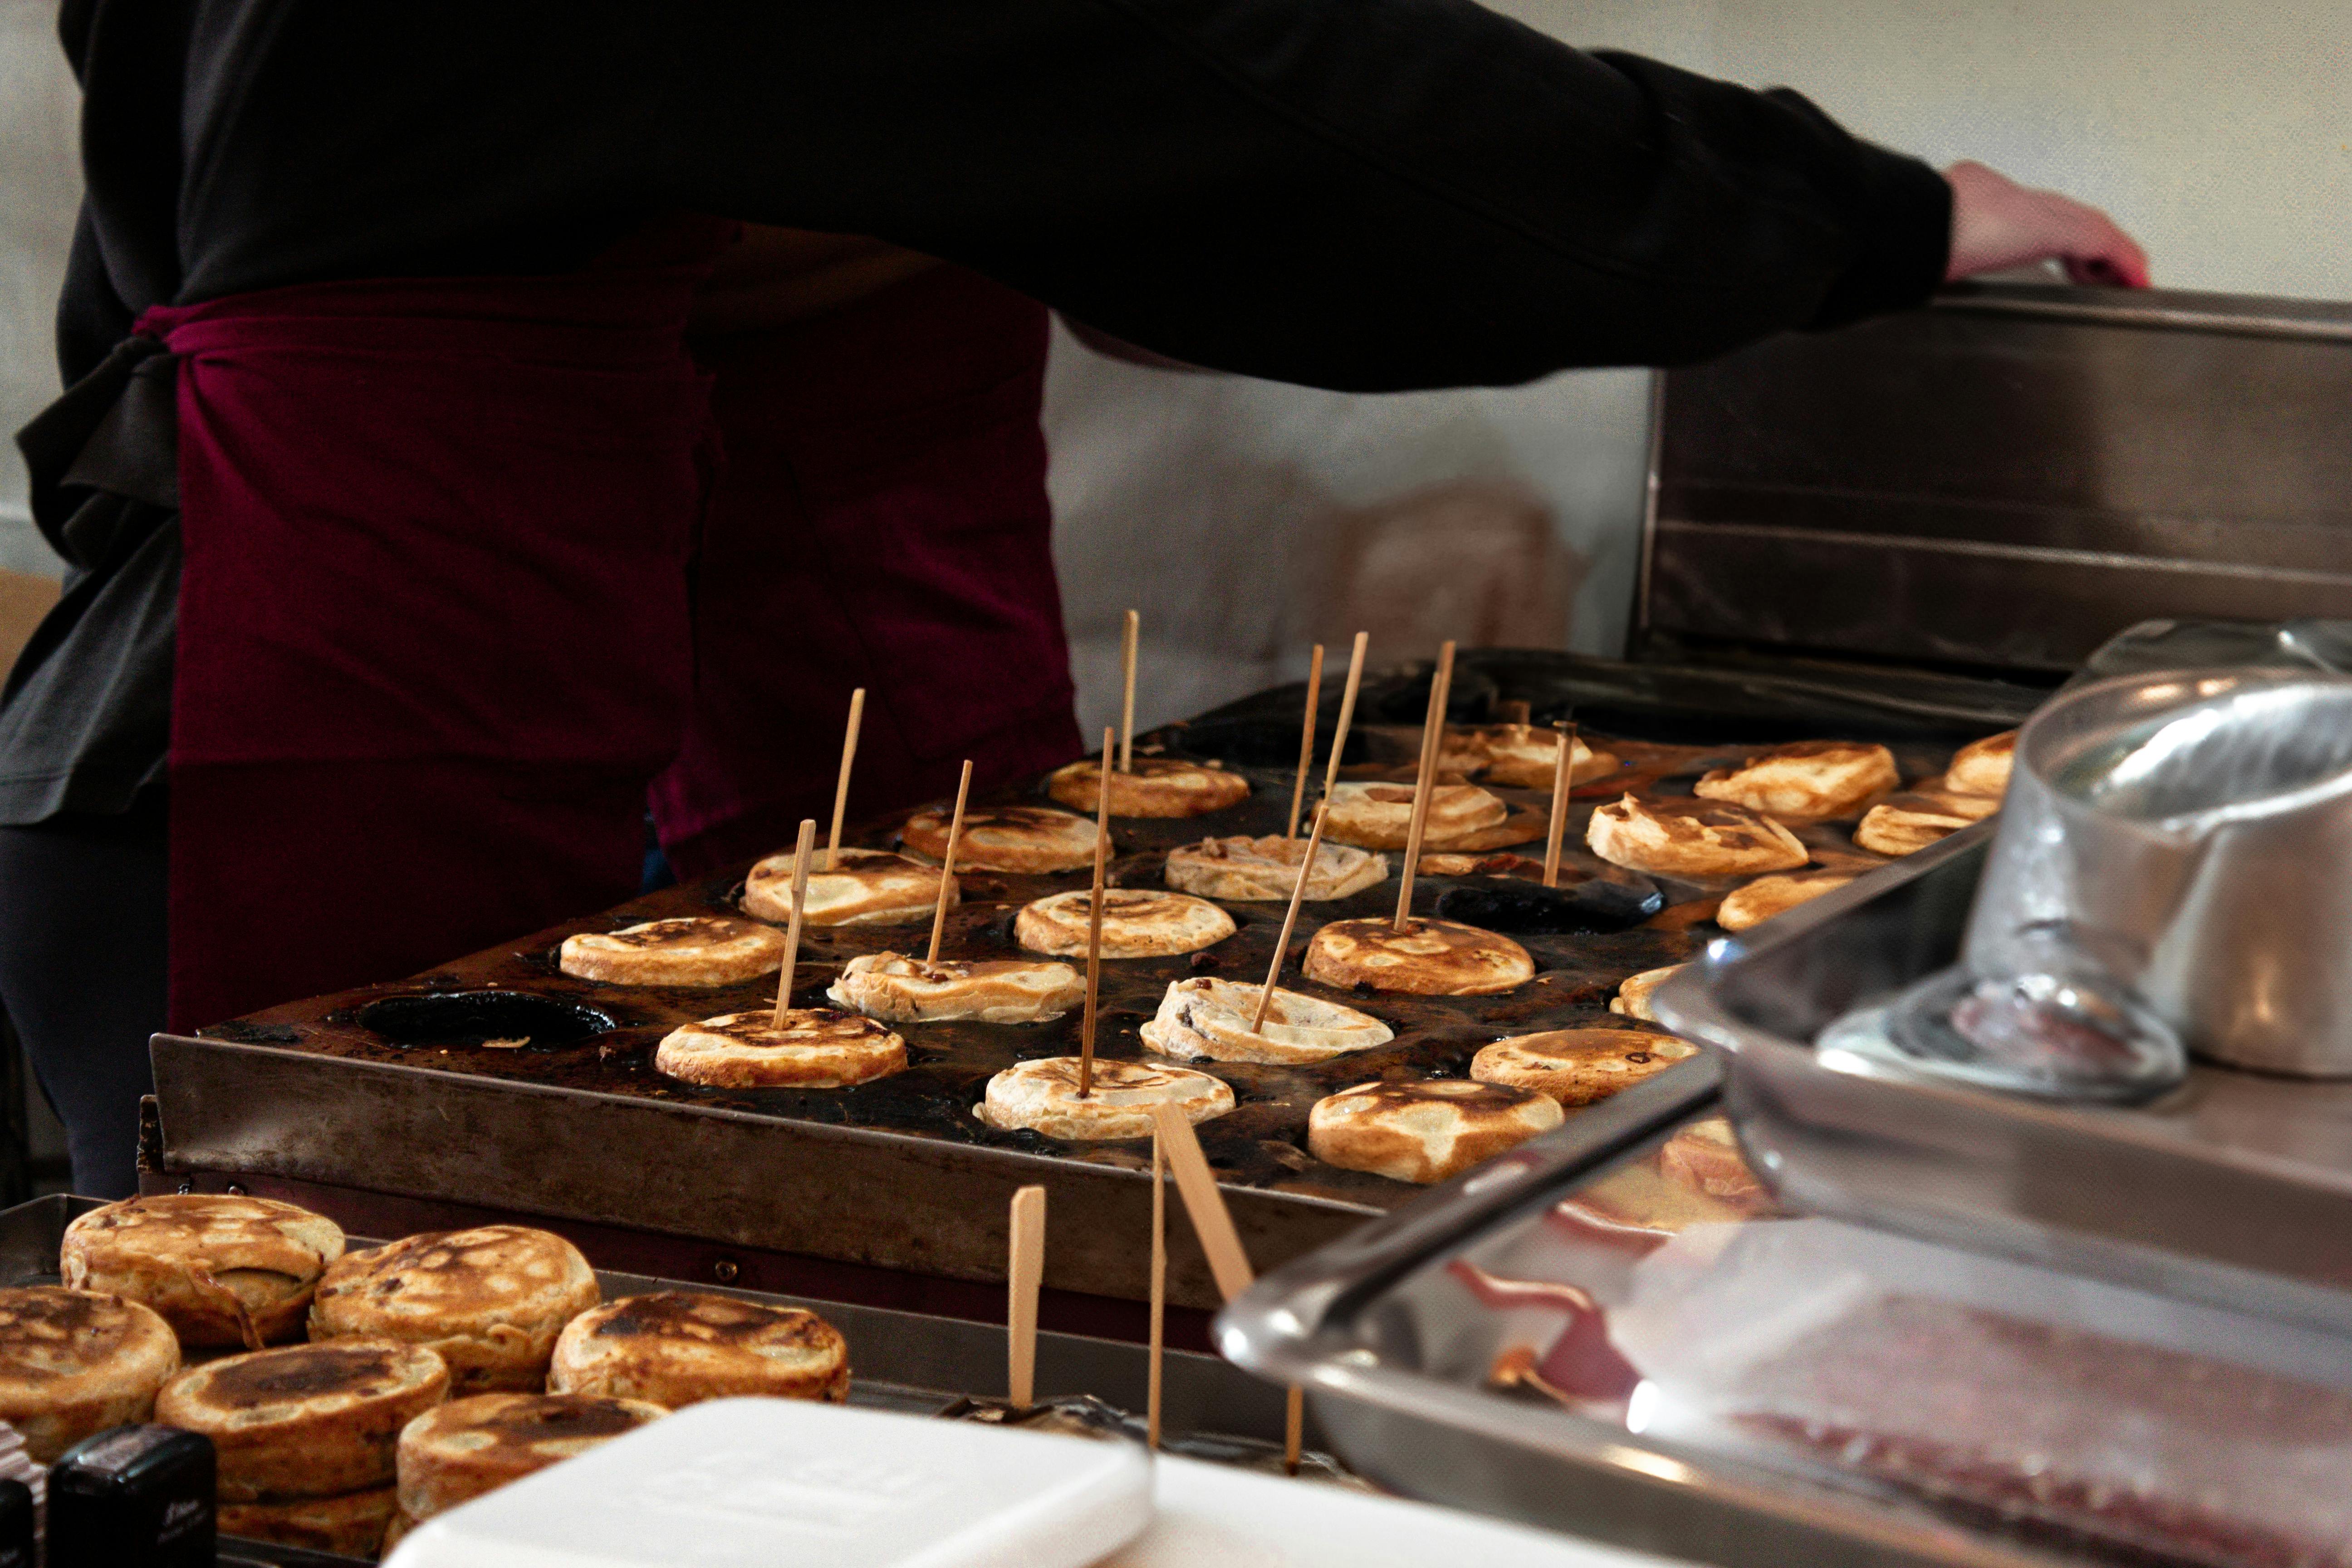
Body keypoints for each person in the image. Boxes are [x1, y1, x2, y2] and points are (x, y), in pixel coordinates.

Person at [0, 0, 2145, 1197]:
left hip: (410, 661)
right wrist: (1864, 214)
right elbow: (1251, 96)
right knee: (336, 1262)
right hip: (316, 701)